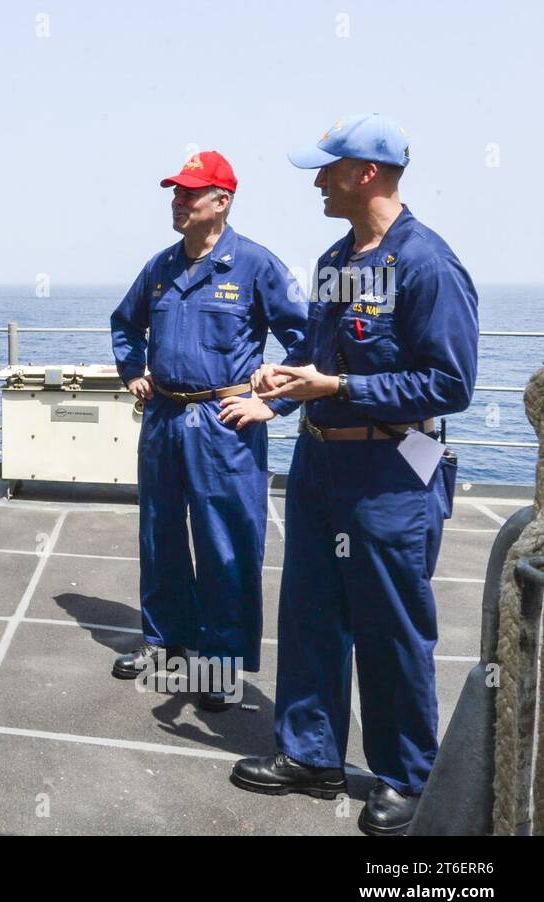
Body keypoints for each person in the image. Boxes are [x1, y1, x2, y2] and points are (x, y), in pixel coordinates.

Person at [231, 114, 478, 836]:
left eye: (327, 170)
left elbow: (449, 383)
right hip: (321, 464)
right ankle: (310, 756)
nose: (316, 182)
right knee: (310, 616)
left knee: (391, 628)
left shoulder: (428, 264)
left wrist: (338, 390)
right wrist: (276, 387)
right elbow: (319, 354)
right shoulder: (337, 259)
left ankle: (407, 777)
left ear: (365, 173)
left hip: (391, 472)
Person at [110, 150, 308, 710]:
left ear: (222, 201)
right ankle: (168, 645)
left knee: (227, 545)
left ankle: (220, 666)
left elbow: (308, 341)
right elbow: (126, 324)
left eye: (189, 193)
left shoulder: (255, 265)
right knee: (160, 534)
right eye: (174, 192)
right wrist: (132, 372)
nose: (177, 201)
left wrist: (273, 403)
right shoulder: (160, 266)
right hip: (166, 418)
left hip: (224, 423)